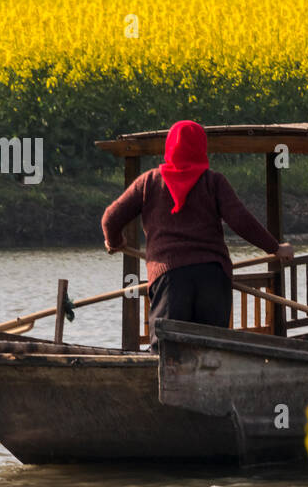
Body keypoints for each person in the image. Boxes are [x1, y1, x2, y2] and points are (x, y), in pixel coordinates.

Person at [101, 120, 292, 344]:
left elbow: (110, 219)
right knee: (210, 350)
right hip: (212, 277)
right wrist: (276, 248)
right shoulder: (214, 181)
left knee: (166, 350)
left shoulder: (149, 182)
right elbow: (241, 220)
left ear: (169, 148)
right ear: (202, 148)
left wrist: (115, 242)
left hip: (169, 278)